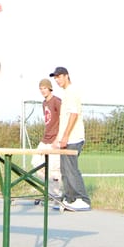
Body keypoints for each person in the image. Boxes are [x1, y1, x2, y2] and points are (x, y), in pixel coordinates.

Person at [50, 66, 91, 211]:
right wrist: (58, 138)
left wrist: (66, 136)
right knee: (64, 170)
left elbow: (74, 115)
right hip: (65, 139)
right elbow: (64, 118)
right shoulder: (66, 93)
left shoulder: (72, 92)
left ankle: (82, 199)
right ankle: (70, 199)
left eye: (59, 77)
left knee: (71, 169)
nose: (57, 80)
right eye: (55, 78)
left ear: (66, 76)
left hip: (74, 138)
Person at [31, 78, 63, 200]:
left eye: (44, 88)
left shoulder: (57, 101)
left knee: (54, 168)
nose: (43, 91)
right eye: (41, 89)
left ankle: (56, 195)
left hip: (55, 139)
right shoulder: (44, 103)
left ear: (50, 88)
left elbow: (63, 120)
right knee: (36, 163)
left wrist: (58, 139)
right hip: (46, 139)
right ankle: (50, 190)